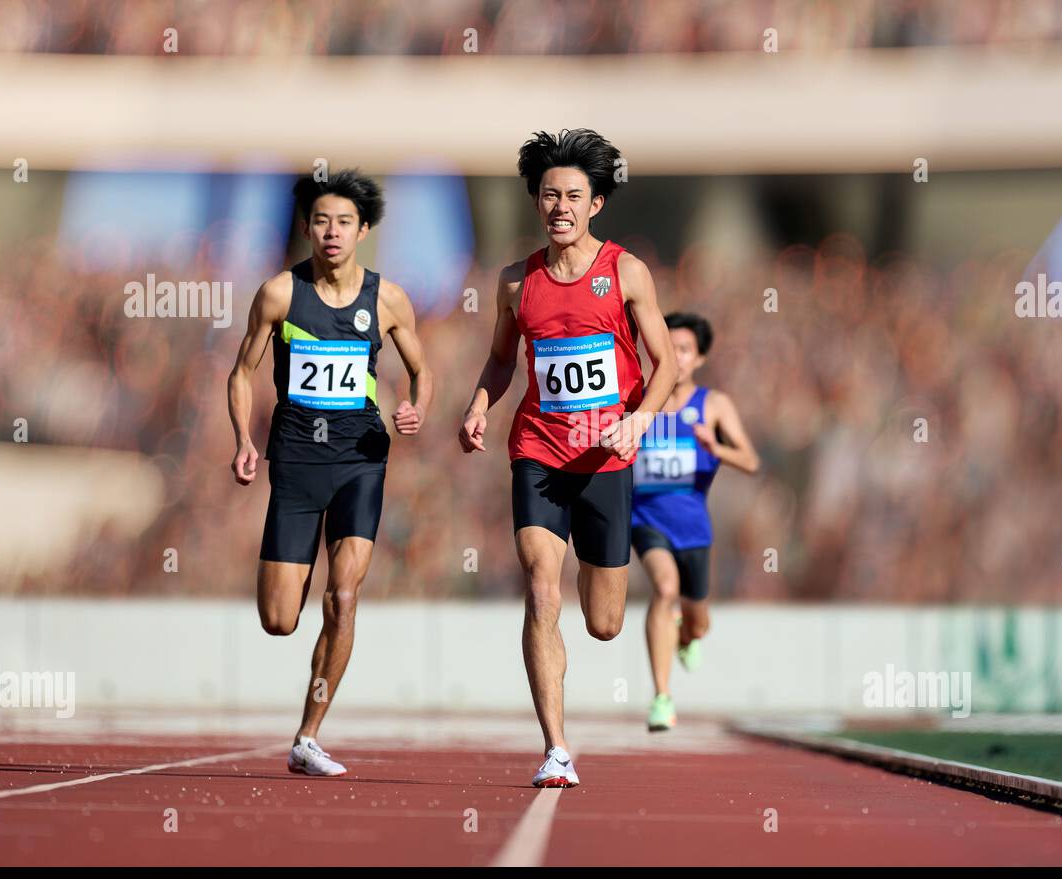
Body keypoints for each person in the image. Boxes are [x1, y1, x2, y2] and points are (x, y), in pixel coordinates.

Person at [458, 129, 676, 787]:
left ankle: (597, 569)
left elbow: (664, 363)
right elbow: (501, 359)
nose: (560, 207)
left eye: (574, 196)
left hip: (607, 461)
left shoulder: (626, 273)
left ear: (596, 204)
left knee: (605, 623)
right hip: (539, 455)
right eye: (550, 194)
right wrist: (477, 405)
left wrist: (638, 420)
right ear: (536, 200)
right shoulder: (515, 282)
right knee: (539, 589)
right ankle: (555, 748)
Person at [227, 169, 432, 776]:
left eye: (344, 221)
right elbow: (241, 371)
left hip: (360, 458)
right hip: (294, 459)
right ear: (306, 227)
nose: (332, 232)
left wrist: (415, 406)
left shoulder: (388, 298)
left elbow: (422, 369)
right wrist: (243, 438)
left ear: (364, 230)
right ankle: (305, 718)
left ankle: (307, 736)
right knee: (279, 619)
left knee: (342, 597)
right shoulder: (279, 294)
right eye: (321, 221)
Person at [630, 313, 758, 730]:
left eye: (684, 349)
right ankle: (662, 697)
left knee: (698, 620)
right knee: (664, 589)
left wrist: (715, 446)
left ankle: (687, 632)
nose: (675, 357)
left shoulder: (714, 405)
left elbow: (751, 461)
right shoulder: (638, 400)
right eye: (668, 347)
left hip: (693, 528)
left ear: (699, 357)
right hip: (645, 518)